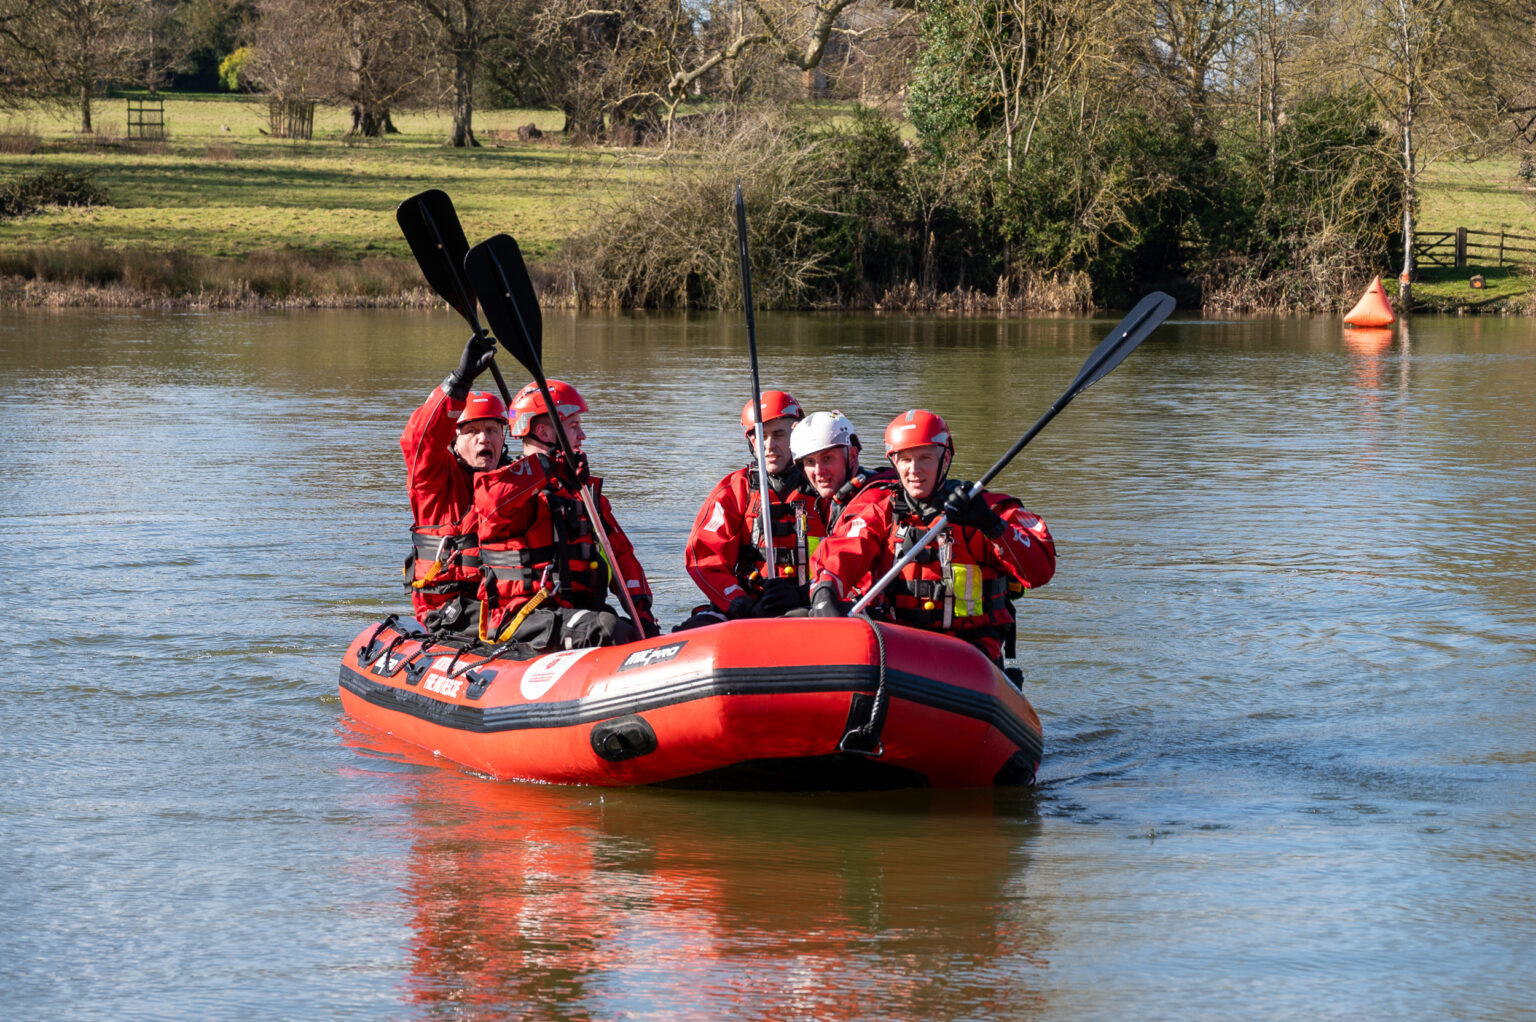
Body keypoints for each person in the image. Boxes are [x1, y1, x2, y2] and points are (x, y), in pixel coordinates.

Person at [806, 409, 1055, 667]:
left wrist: (991, 525)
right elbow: (844, 549)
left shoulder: (984, 510)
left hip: (971, 651)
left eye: (925, 458)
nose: (914, 470)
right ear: (894, 463)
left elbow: (1040, 570)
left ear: (945, 459)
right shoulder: (881, 511)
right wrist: (825, 592)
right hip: (897, 643)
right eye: (905, 459)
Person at [473, 378, 659, 651]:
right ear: (543, 432)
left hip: (578, 614)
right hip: (522, 616)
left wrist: (642, 610)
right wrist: (551, 465)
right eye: (574, 426)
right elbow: (491, 501)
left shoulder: (584, 492)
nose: (582, 435)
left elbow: (622, 557)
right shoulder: (512, 488)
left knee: (634, 631)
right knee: (610, 629)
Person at [679, 390, 827, 628]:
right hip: (748, 605)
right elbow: (704, 558)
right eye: (760, 436)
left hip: (809, 602)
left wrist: (807, 594)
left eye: (779, 434)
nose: (769, 446)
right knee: (693, 628)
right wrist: (741, 605)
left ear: (797, 434)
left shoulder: (823, 488)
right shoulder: (735, 490)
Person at [400, 333, 504, 634]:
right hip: (447, 611)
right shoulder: (433, 479)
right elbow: (418, 439)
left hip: (503, 604)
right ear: (454, 440)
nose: (484, 438)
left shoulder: (516, 482)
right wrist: (459, 382)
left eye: (492, 429)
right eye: (472, 431)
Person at [789, 410, 897, 532]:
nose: (819, 471)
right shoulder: (831, 500)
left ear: (852, 456)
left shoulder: (872, 501)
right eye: (810, 462)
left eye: (827, 458)